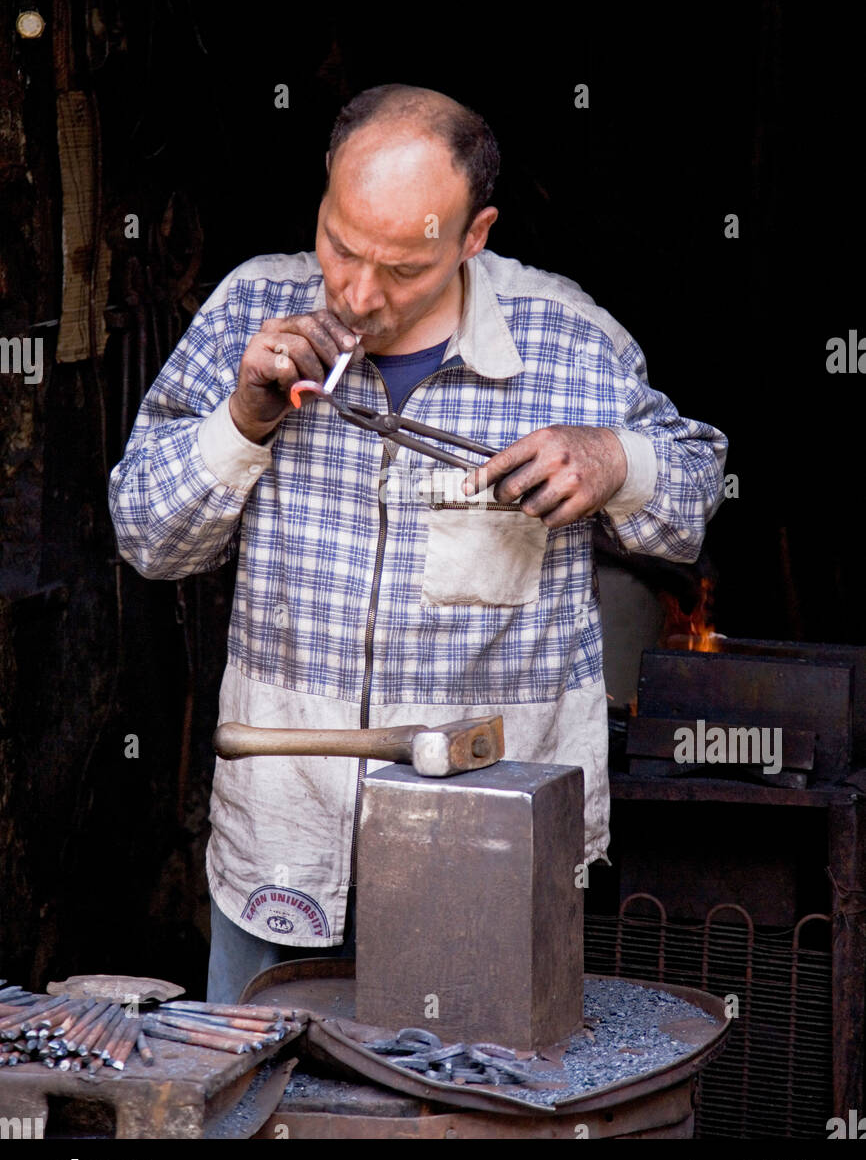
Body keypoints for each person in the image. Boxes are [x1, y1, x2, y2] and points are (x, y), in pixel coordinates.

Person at [109, 84, 727, 1002]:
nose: (359, 295)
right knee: (266, 1101)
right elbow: (147, 539)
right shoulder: (249, 309)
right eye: (341, 247)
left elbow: (690, 501)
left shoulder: (567, 338)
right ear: (324, 194)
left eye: (401, 269)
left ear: (473, 236)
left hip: (487, 846)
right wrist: (243, 418)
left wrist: (614, 460)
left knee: (471, 1110)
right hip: (286, 842)